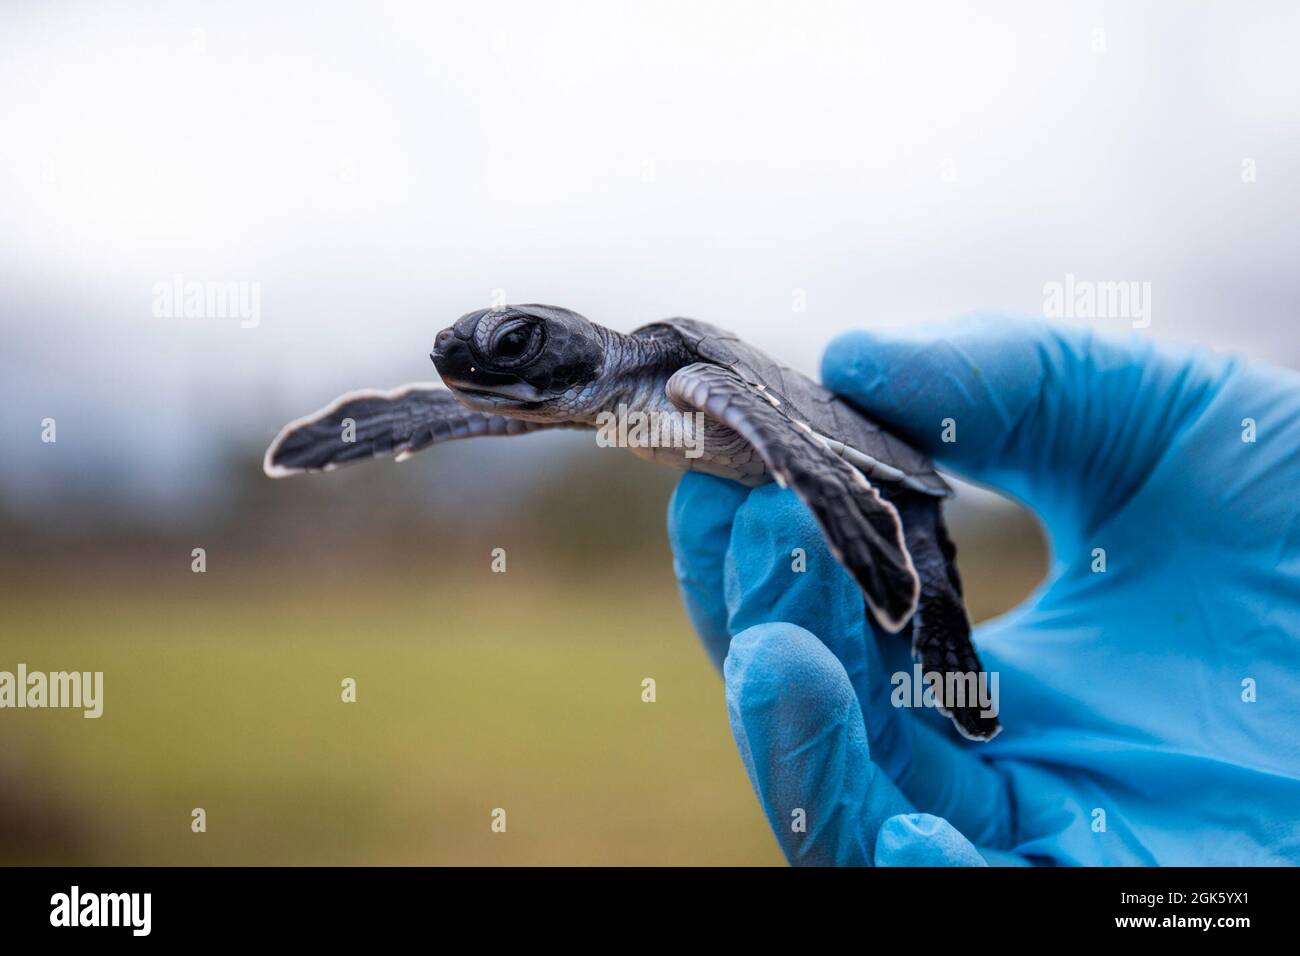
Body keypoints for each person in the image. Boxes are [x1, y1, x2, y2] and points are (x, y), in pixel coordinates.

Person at [667, 315, 1300, 865]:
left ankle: (951, 671)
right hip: (855, 489)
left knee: (929, 612)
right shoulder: (635, 410)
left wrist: (850, 517)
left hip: (885, 479)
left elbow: (794, 445)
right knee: (853, 651)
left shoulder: (686, 378)